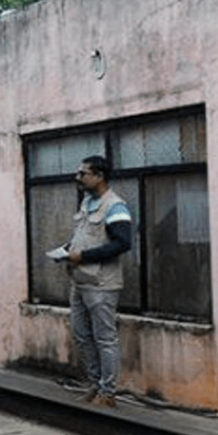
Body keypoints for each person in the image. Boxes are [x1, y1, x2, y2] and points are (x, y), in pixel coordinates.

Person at [63, 155, 132, 408]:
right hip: (80, 281)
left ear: (99, 176)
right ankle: (94, 385)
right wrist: (68, 250)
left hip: (102, 284)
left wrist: (84, 255)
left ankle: (108, 392)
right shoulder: (86, 203)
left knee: (105, 338)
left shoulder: (115, 207)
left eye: (83, 174)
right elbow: (85, 237)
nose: (78, 178)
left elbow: (123, 243)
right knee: (82, 335)